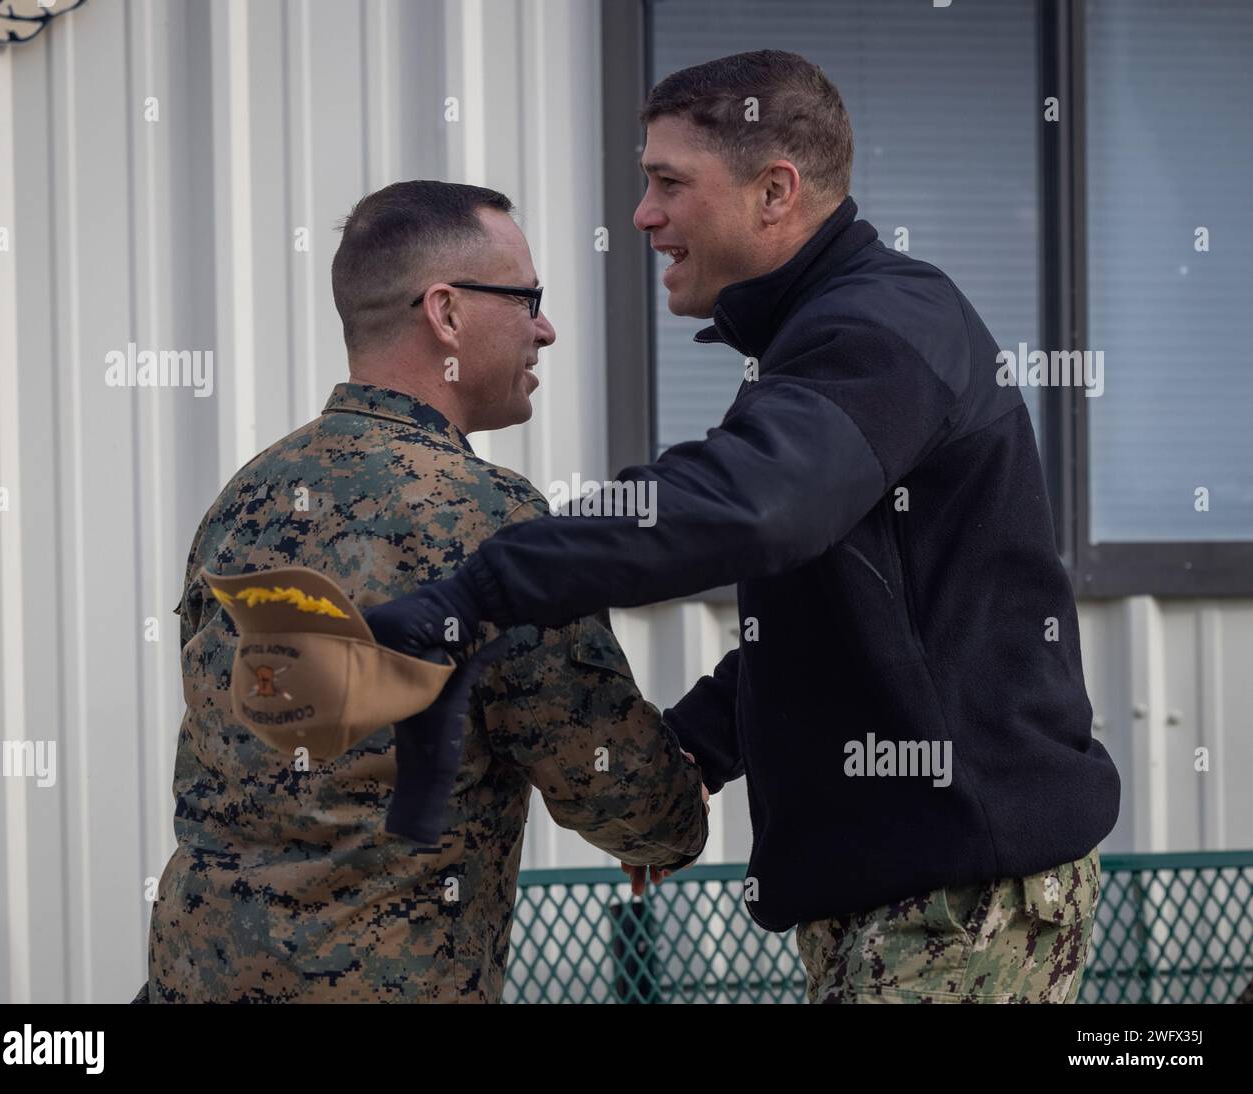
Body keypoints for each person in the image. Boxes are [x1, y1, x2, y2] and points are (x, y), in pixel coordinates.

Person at [357, 52, 1121, 1003]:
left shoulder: (881, 329)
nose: (643, 214)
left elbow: (753, 505)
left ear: (775, 191)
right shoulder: (823, 340)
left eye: (669, 183)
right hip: (911, 898)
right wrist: (707, 739)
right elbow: (856, 612)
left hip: (959, 897)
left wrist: (476, 590)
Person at [138, 180, 708, 1003]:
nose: (544, 329)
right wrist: (675, 814)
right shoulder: (492, 518)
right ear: (446, 313)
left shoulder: (244, 497)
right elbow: (614, 786)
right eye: (529, 299)